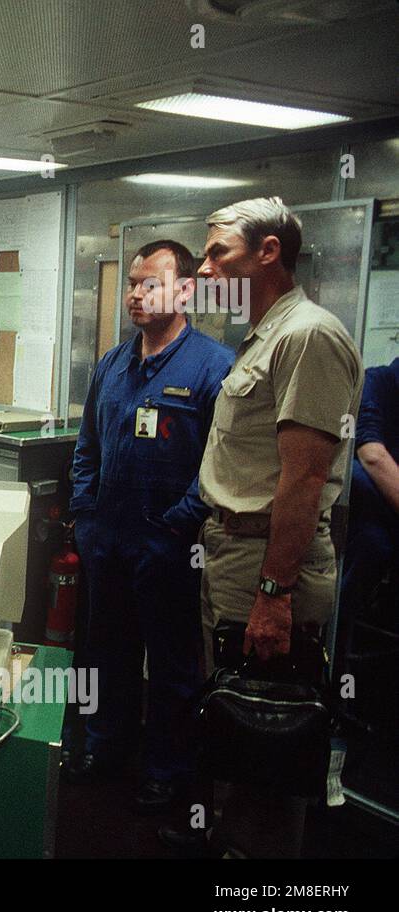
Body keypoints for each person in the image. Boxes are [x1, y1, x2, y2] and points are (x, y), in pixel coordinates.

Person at [161, 196, 362, 859]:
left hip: (267, 564)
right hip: (233, 554)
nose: (206, 265)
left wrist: (275, 595)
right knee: (235, 726)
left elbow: (304, 479)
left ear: (268, 252)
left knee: (269, 736)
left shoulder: (308, 335)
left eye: (219, 251)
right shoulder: (264, 334)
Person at [66, 241, 233, 813]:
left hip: (172, 546)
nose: (136, 294)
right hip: (106, 538)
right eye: (133, 283)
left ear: (186, 289)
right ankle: (103, 747)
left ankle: (166, 770)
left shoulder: (214, 367)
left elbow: (221, 464)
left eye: (150, 284)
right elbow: (87, 445)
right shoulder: (113, 363)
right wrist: (84, 516)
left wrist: (177, 528)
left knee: (170, 665)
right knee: (105, 653)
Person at [337, 358, 399, 713]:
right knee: (373, 547)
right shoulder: (378, 382)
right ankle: (337, 686)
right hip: (373, 523)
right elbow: (371, 454)